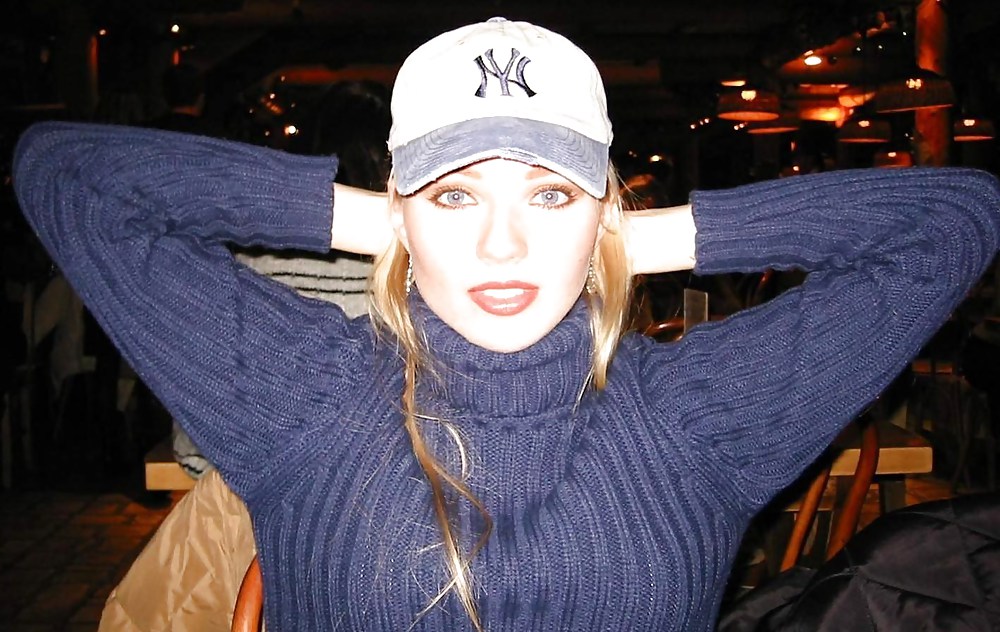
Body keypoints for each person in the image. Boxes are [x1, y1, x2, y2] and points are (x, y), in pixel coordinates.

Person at [12, 16, 1000, 632]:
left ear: (603, 204)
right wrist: (373, 220)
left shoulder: (703, 414)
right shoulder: (299, 392)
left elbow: (952, 220)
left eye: (549, 194)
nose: (501, 246)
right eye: (454, 196)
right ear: (402, 205)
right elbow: (67, 176)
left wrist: (644, 237)